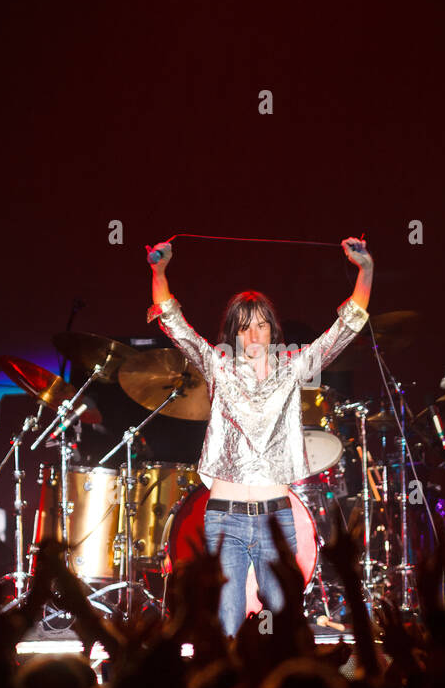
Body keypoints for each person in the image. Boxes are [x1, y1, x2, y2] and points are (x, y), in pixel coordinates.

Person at [145, 237, 373, 637]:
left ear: (273, 330)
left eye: (262, 325)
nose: (254, 335)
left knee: (284, 628)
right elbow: (175, 325)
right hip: (225, 517)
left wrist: (365, 270)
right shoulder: (219, 366)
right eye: (245, 327)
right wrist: (159, 272)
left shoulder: (293, 367)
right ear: (233, 333)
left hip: (276, 518)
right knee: (228, 627)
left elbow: (343, 329)